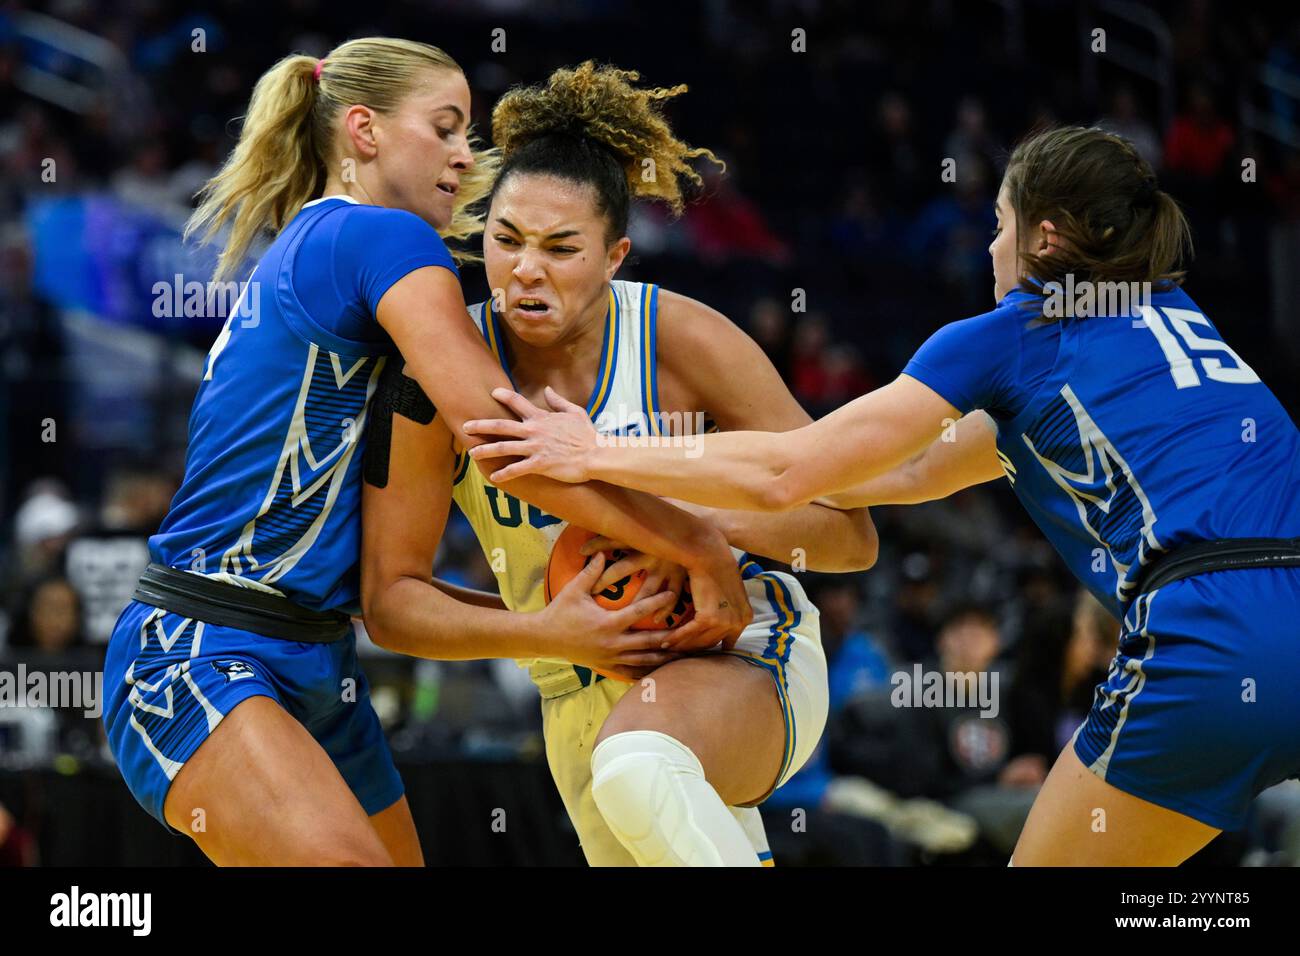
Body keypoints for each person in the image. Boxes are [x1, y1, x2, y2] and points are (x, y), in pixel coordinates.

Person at [465, 124, 1300, 866]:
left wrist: (599, 451)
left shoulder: (1009, 335)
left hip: (1211, 637)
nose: (990, 250)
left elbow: (794, 472)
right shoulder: (1179, 318)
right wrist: (681, 508)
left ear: (1044, 237)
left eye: (999, 226)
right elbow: (900, 475)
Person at [101, 38, 749, 867]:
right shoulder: (381, 240)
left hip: (315, 654)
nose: (464, 156)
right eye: (445, 128)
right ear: (363, 131)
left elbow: (391, 599)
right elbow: (506, 440)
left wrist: (546, 629)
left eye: (469, 134)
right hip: (200, 642)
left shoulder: (323, 242)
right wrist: (692, 539)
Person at [362, 62, 878, 866]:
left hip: (737, 651)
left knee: (640, 767)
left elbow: (849, 536)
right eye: (505, 240)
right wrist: (543, 630)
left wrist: (689, 527)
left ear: (616, 256)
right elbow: (392, 604)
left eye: (561, 247)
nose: (526, 270)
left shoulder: (683, 340)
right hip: (571, 691)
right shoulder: (442, 368)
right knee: (642, 781)